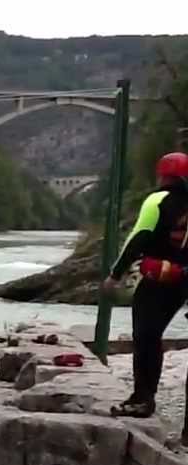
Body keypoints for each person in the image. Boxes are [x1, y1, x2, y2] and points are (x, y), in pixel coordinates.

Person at [102, 151, 188, 423]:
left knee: (146, 337)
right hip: (184, 280)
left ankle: (143, 398)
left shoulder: (157, 200)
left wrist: (115, 274)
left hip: (159, 280)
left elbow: (139, 237)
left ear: (162, 174)